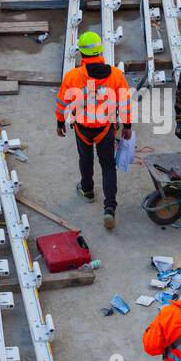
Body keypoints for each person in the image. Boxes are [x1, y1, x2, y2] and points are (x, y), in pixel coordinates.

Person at [55, 31, 132, 230]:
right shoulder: (115, 75)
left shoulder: (72, 76)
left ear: (81, 53)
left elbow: (62, 102)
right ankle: (109, 208)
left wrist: (60, 122)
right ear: (100, 51)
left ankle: (88, 190)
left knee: (85, 158)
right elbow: (124, 103)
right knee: (107, 166)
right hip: (105, 129)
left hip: (82, 129)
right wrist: (127, 126)